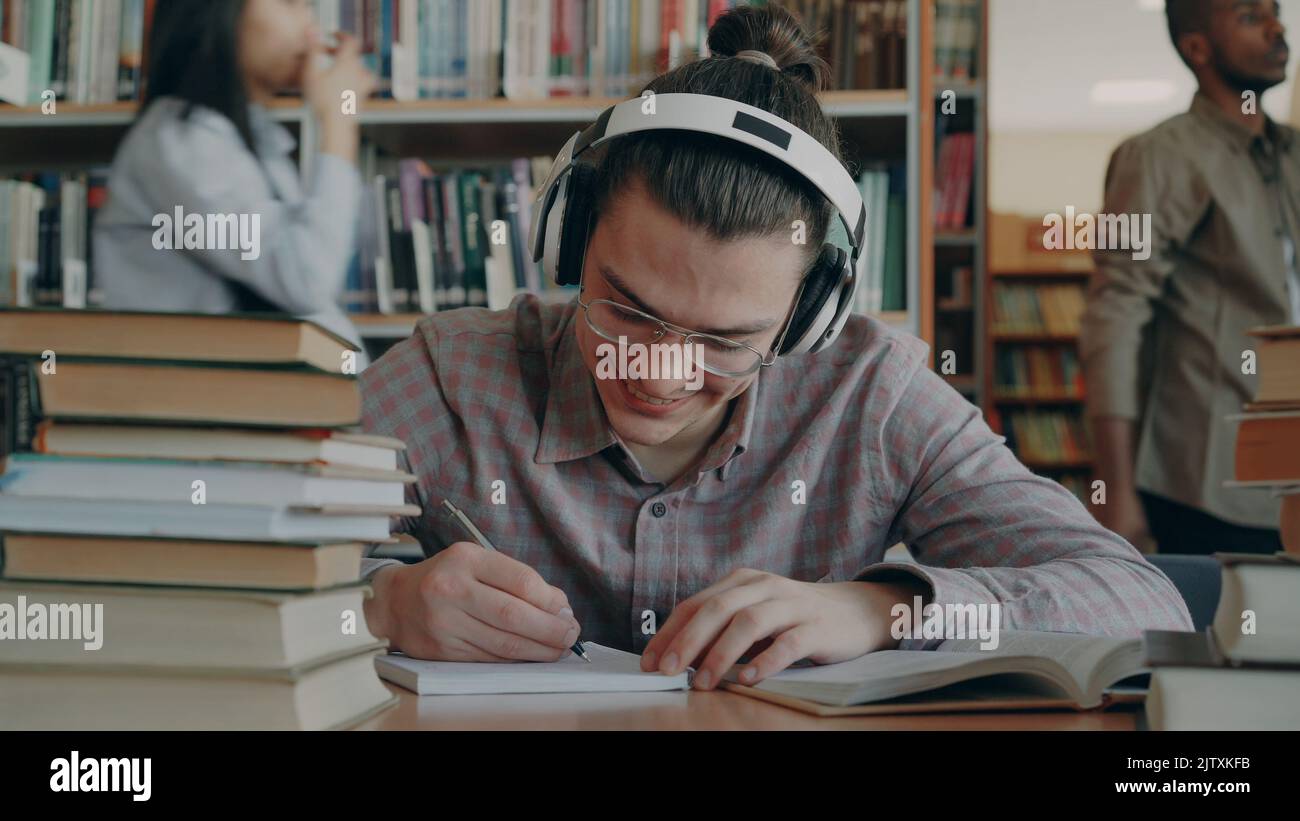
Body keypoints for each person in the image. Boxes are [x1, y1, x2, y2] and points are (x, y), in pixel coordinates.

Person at [358, 5, 1192, 690]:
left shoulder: (872, 393)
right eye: (627, 307)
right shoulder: (451, 373)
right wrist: (381, 602)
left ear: (808, 315)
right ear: (571, 237)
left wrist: (883, 610)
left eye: (726, 341)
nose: (662, 371)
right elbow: (232, 557)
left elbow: (1143, 603)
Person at [1081, 0, 1296, 555]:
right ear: (1197, 48)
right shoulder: (1156, 157)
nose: (1277, 27)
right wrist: (1116, 491)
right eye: (1251, 17)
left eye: (1275, 12)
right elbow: (1115, 316)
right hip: (1205, 487)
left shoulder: (1294, 156)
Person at [93, 0, 374, 350]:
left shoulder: (246, 142)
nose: (311, 29)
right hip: (211, 394)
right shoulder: (179, 141)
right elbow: (309, 278)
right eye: (290, 4)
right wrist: (338, 118)